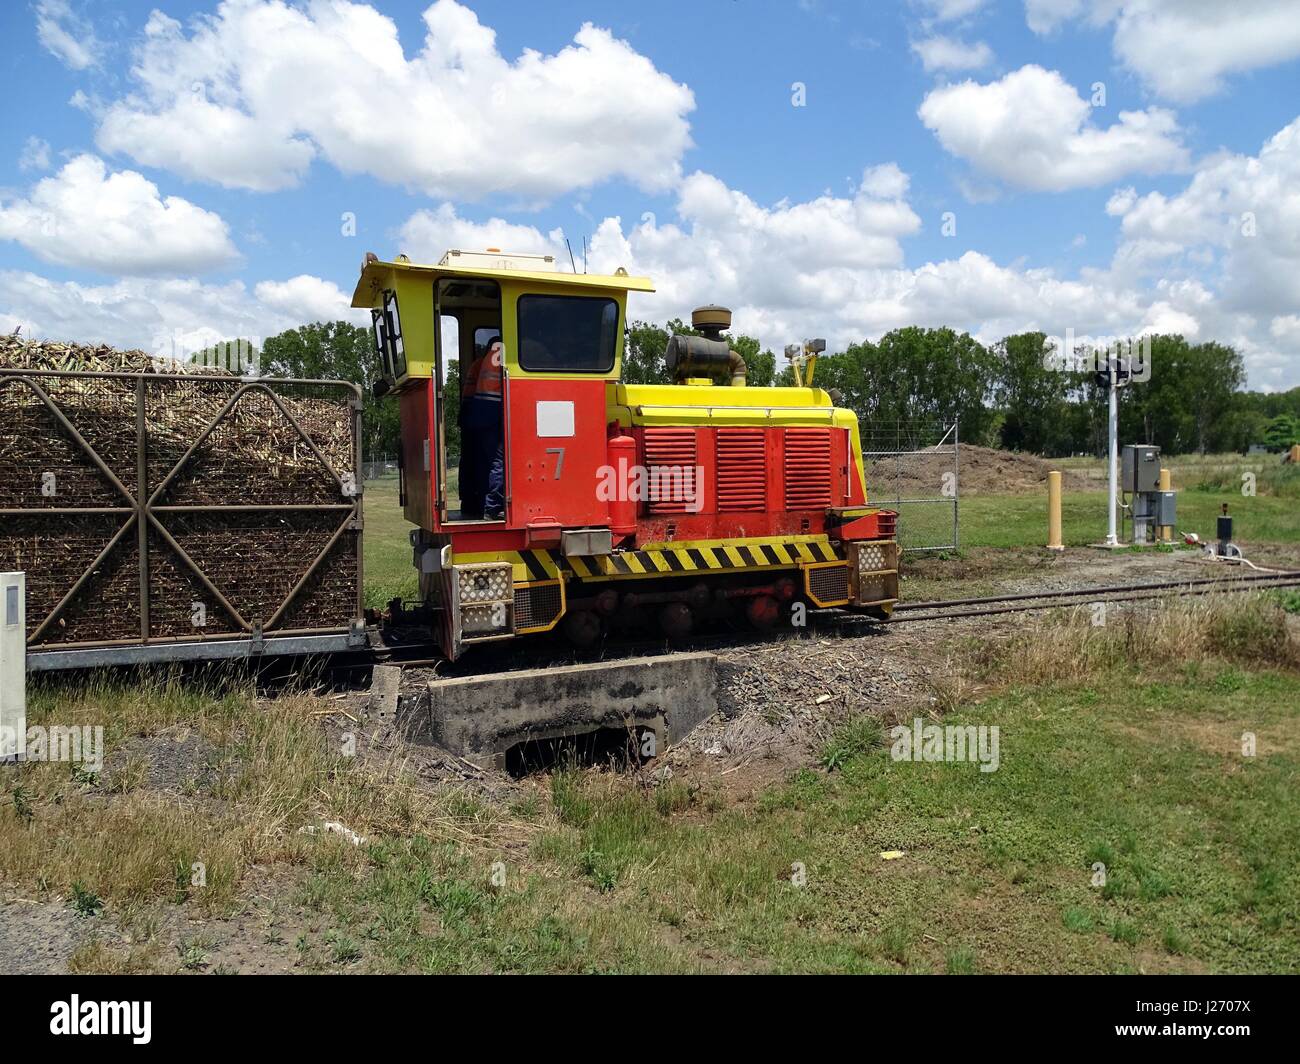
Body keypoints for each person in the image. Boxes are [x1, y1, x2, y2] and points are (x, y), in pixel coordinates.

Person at [462, 338, 505, 521]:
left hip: (477, 413)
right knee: (498, 461)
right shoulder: (502, 355)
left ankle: (479, 503)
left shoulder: (481, 362)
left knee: (482, 461)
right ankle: (493, 507)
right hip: (493, 413)